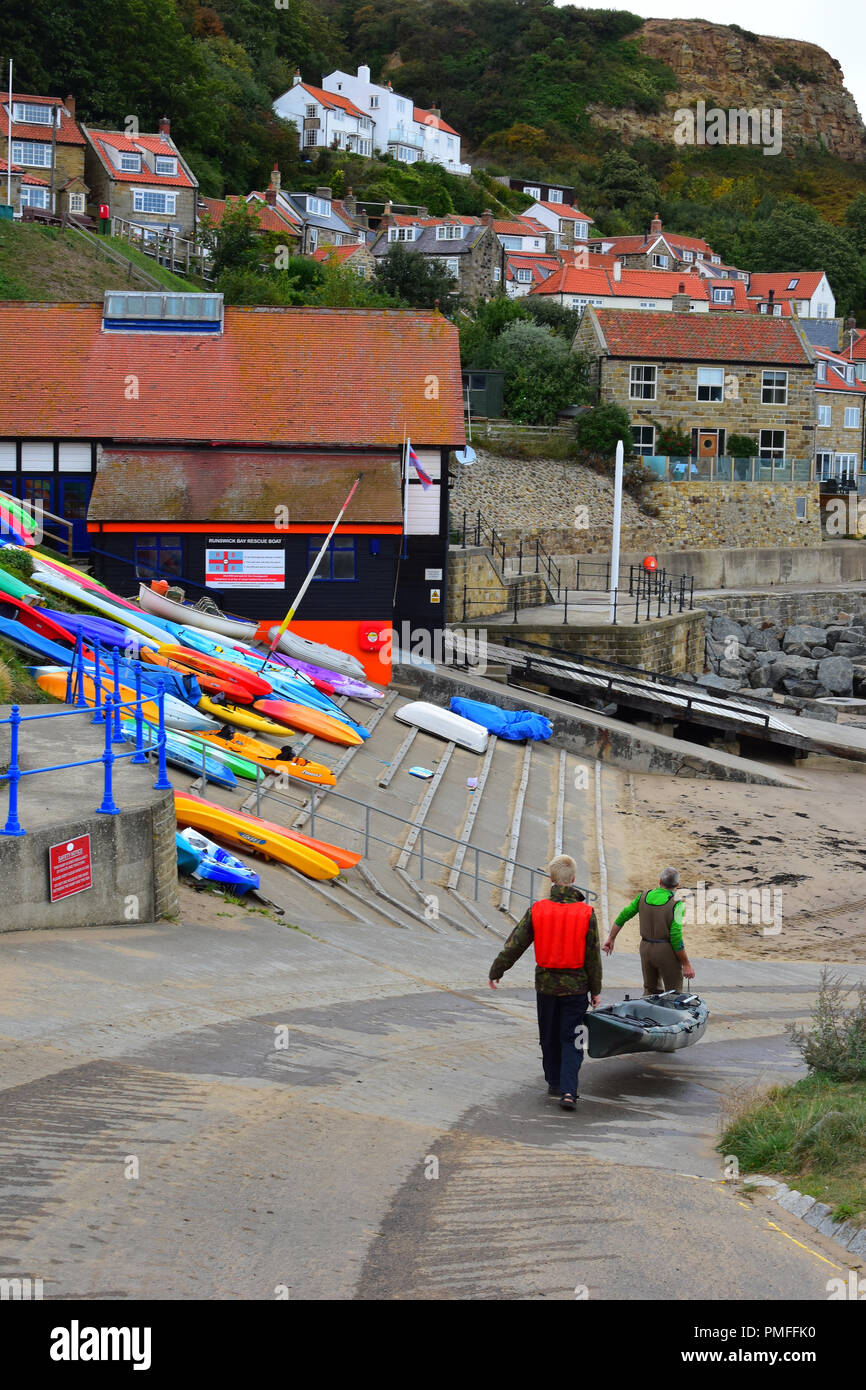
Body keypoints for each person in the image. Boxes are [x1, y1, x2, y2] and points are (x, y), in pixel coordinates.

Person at [488, 855, 601, 1112]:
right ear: (573, 880)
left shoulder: (537, 910)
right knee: (573, 1038)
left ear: (551, 879)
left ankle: (553, 1081)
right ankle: (569, 1090)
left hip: (546, 987)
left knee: (548, 1035)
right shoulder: (586, 913)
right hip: (576, 988)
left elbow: (515, 944)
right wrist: (596, 990)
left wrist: (498, 970)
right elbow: (592, 956)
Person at [603, 867, 695, 997]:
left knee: (650, 992)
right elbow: (675, 936)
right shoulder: (677, 904)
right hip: (666, 952)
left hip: (645, 949)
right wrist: (686, 963)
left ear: (659, 881)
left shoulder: (643, 896)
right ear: (677, 885)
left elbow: (624, 915)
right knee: (674, 994)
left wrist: (611, 938)